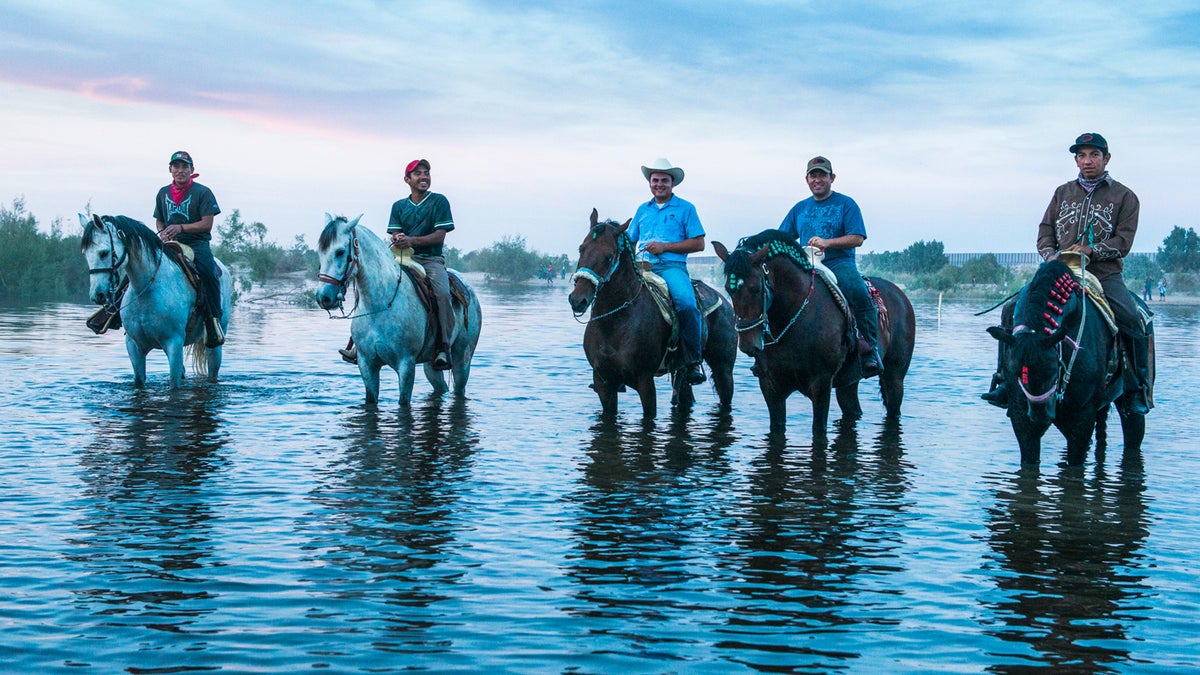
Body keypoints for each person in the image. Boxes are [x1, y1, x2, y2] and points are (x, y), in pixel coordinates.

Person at [983, 132, 1151, 415]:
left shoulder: (1125, 196)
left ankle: (1136, 388)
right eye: (1082, 155)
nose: (1088, 161)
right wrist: (1051, 256)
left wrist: (1091, 250)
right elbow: (1045, 231)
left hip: (1104, 274)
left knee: (1132, 319)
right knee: (1012, 310)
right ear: (1075, 160)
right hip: (1058, 271)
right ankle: (1004, 381)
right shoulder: (1062, 192)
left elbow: (1123, 241)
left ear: (1106, 158)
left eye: (1094, 155)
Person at [339, 159, 456, 370]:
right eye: (418, 173)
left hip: (430, 260)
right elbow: (395, 231)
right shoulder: (399, 206)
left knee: (442, 293)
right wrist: (398, 238)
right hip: (400, 258)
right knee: (367, 287)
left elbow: (440, 236)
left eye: (426, 172)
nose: (424, 177)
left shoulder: (439, 201)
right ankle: (357, 342)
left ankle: (443, 346)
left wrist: (411, 240)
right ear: (407, 179)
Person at [778, 156, 883, 378]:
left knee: (858, 293)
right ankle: (769, 350)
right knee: (775, 294)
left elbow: (857, 238)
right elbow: (783, 238)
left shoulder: (846, 204)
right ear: (806, 179)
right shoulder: (799, 209)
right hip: (806, 263)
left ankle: (870, 350)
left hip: (839, 262)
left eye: (822, 175)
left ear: (832, 178)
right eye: (813, 175)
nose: (817, 179)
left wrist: (827, 242)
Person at [629, 158, 706, 385]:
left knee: (687, 304)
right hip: (642, 266)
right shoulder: (643, 209)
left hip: (671, 267)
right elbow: (630, 240)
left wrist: (665, 247)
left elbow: (698, 244)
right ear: (649, 183)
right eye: (655, 180)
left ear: (672, 183)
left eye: (664, 180)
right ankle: (612, 362)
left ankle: (692, 361)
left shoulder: (686, 208)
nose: (659, 184)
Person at [154, 150, 224, 347]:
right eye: (176, 166)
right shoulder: (162, 193)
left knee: (208, 272)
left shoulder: (203, 192)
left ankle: (213, 320)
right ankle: (114, 310)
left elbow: (207, 223)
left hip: (196, 243)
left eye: (185, 166)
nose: (180, 170)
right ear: (170, 169)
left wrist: (181, 227)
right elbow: (159, 219)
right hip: (169, 243)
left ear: (192, 170)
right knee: (140, 264)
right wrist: (164, 231)